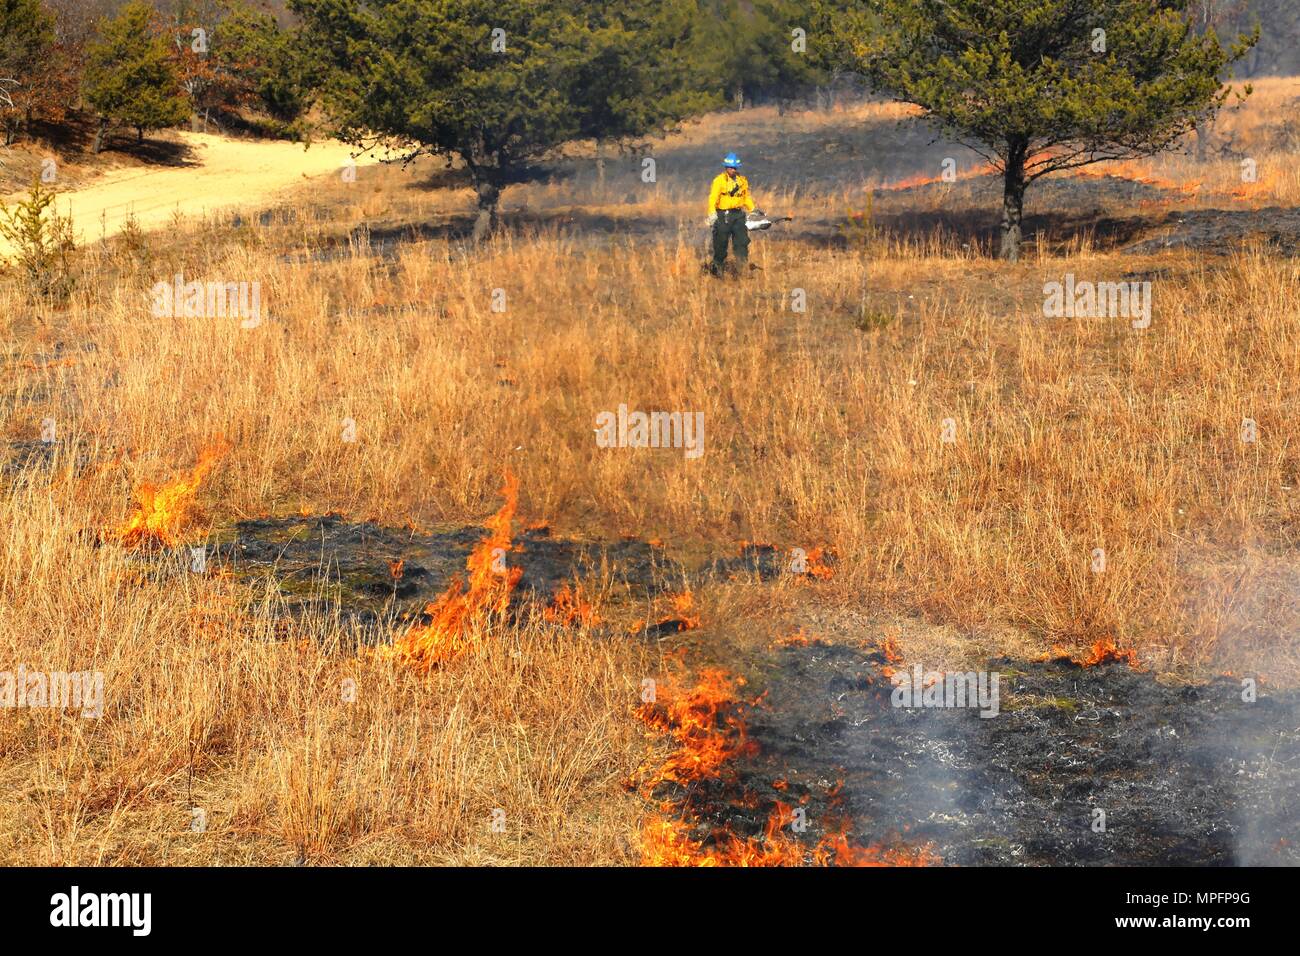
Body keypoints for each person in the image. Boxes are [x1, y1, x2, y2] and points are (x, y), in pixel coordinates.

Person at [706, 153, 755, 276]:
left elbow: (746, 197)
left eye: (734, 167)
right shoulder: (719, 181)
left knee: (742, 243)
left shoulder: (742, 180)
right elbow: (713, 198)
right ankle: (717, 270)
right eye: (730, 167)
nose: (732, 169)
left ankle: (741, 271)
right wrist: (712, 214)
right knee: (721, 244)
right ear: (726, 167)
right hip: (724, 216)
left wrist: (753, 209)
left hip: (738, 215)